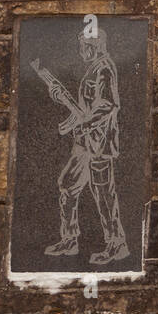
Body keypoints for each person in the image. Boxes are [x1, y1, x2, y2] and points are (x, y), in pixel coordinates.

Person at [41, 29, 129, 265]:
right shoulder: (93, 69)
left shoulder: (104, 68)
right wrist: (61, 97)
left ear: (93, 47)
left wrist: (85, 126)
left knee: (103, 195)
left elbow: (109, 105)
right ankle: (70, 240)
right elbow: (84, 107)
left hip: (99, 144)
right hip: (84, 145)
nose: (81, 52)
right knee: (68, 185)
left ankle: (116, 244)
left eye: (83, 47)